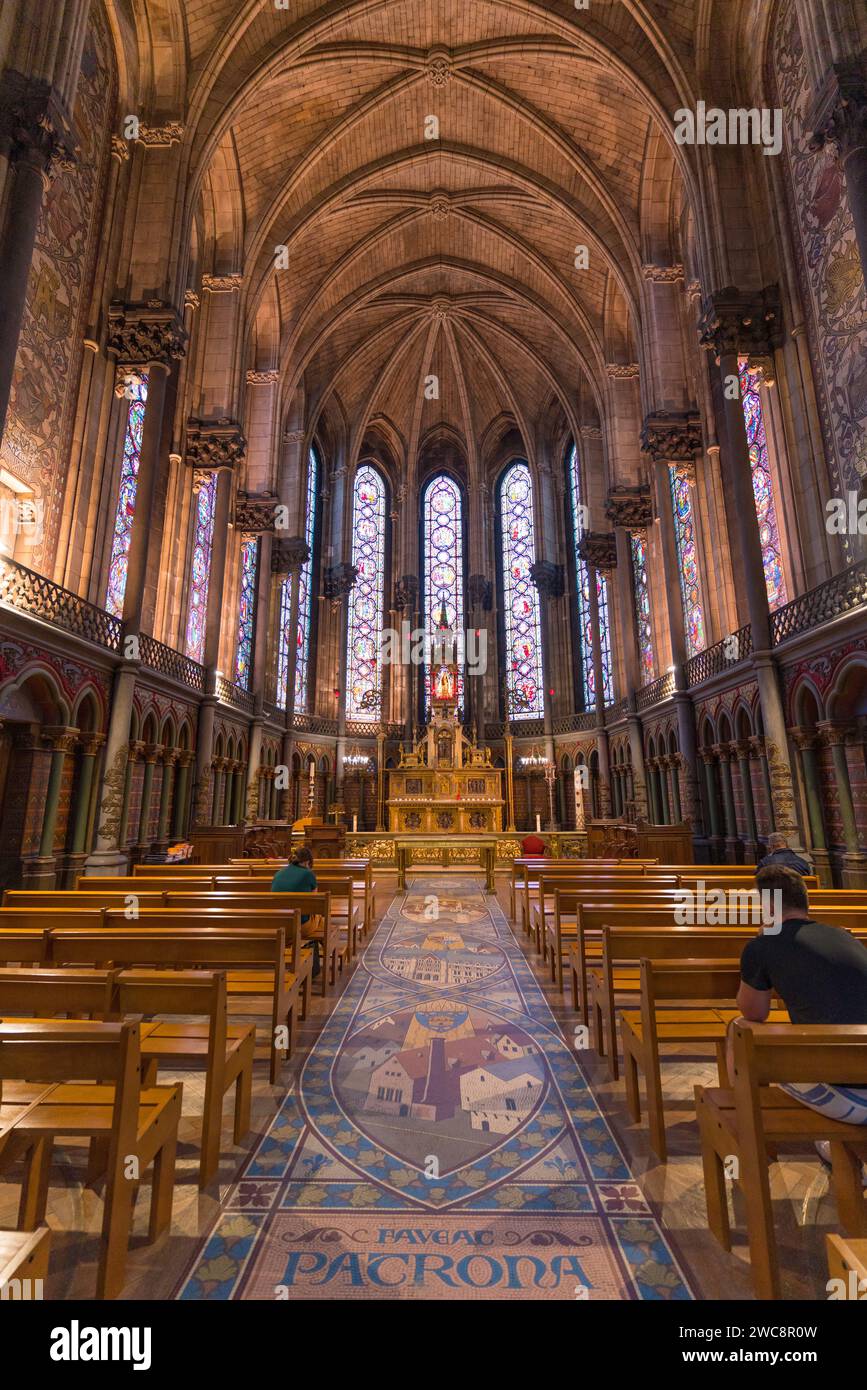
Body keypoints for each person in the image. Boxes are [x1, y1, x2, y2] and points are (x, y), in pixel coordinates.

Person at [732, 864, 867, 1165]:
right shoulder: (845, 936)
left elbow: (753, 1012)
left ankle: (744, 1128)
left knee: (739, 1028)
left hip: (851, 1098)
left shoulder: (763, 945)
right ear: (806, 901)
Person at [271, 846, 320, 977]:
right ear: (307, 862)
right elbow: (314, 903)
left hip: (278, 923)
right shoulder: (308, 874)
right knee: (321, 918)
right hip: (299, 925)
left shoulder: (279, 873)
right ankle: (317, 955)